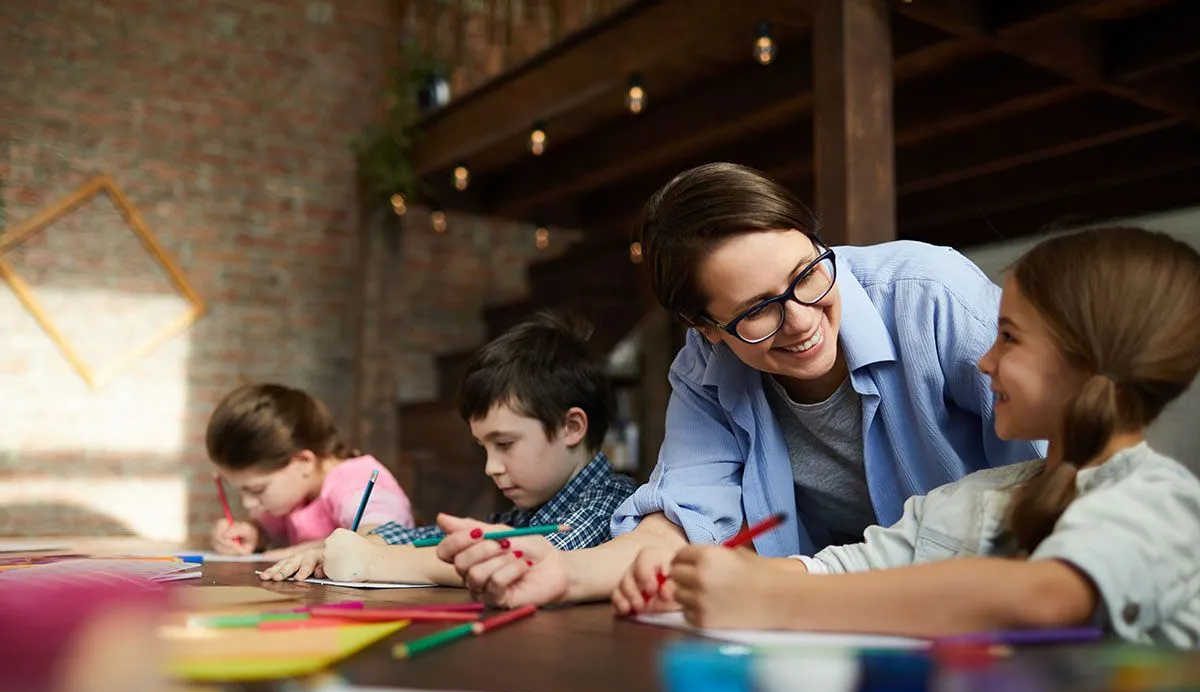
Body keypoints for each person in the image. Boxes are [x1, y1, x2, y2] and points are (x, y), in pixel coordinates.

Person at [437, 162, 1045, 609]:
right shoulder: (705, 371)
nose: (803, 319)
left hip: (1001, 594)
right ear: (705, 330)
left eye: (807, 273)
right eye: (758, 310)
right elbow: (680, 522)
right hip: (837, 609)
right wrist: (564, 573)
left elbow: (1075, 459)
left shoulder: (933, 299)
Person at [664, 227, 1200, 647]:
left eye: (1008, 337)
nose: (985, 361)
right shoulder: (972, 498)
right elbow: (838, 568)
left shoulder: (1159, 500)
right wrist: (717, 576)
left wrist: (774, 599)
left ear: (1085, 357)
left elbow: (1042, 597)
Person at [259, 313, 638, 586]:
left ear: (572, 427)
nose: (491, 467)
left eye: (505, 444)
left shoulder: (611, 504)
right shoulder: (532, 512)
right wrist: (360, 543)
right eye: (484, 448)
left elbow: (527, 561)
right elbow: (435, 539)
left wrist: (375, 560)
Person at [206, 383, 412, 557]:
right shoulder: (293, 494)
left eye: (257, 490)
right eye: (241, 490)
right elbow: (269, 530)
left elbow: (381, 536)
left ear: (304, 461)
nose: (248, 503)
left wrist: (294, 553)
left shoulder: (355, 480)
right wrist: (252, 533)